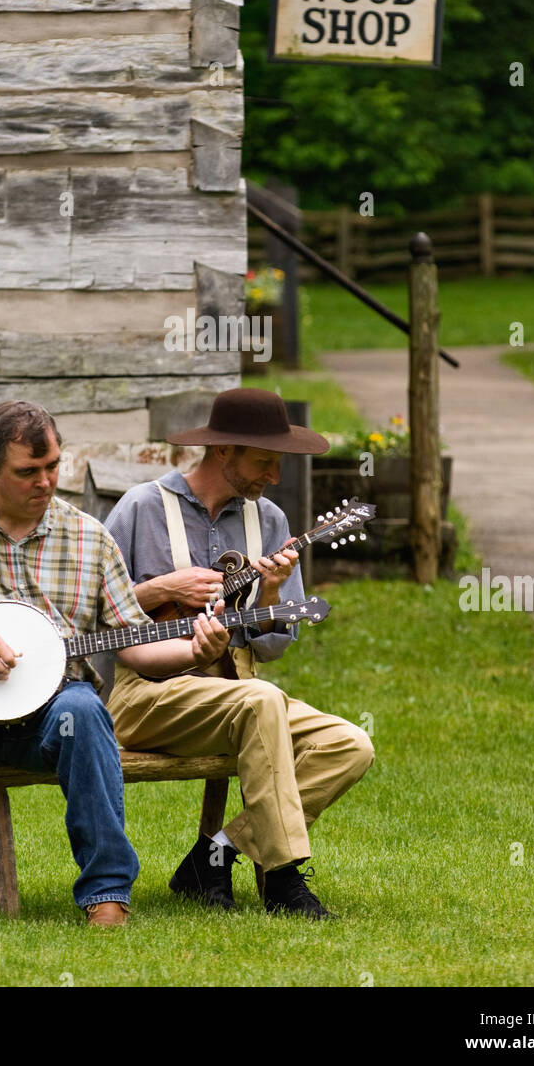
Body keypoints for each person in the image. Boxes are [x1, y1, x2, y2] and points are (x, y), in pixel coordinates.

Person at [0, 400, 230, 927]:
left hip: (54, 710)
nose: (45, 481)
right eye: (27, 471)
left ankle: (107, 893)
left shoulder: (90, 537)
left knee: (85, 712)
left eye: (53, 466)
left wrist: (196, 651)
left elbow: (133, 645)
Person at [104, 387, 375, 919]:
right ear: (223, 451)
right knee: (260, 701)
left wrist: (271, 594)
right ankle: (283, 879)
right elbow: (89, 611)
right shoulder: (141, 508)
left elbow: (272, 646)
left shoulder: (269, 521)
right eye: (264, 462)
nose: (273, 477)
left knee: (350, 745)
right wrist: (163, 589)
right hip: (147, 698)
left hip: (241, 694)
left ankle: (216, 855)